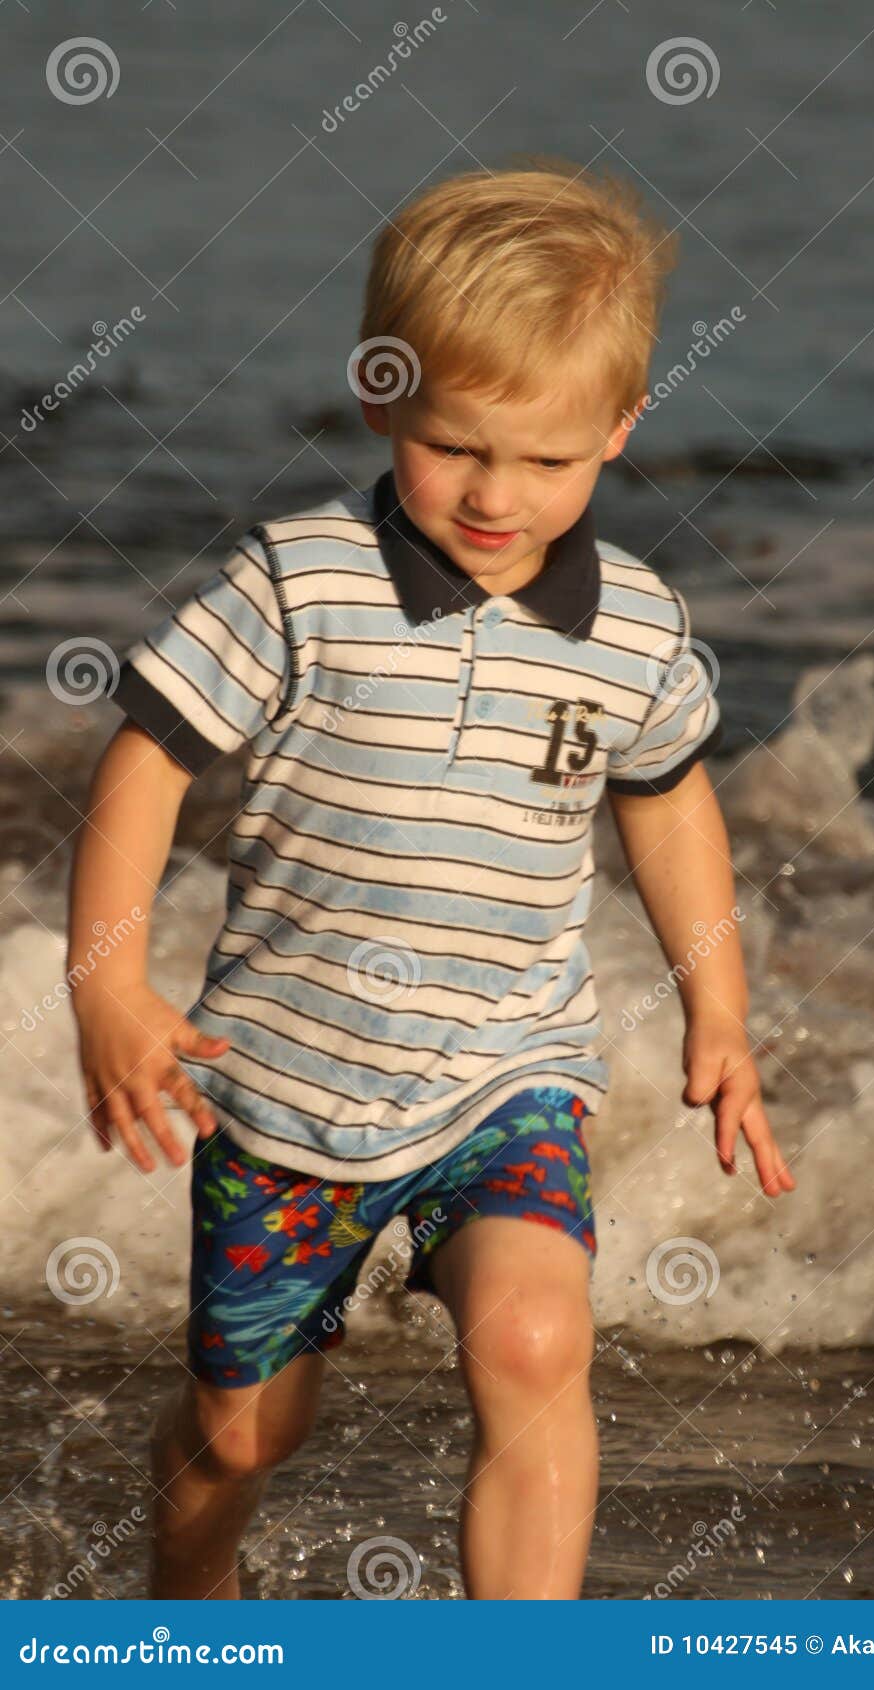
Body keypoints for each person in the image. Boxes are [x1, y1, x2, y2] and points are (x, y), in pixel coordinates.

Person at [67, 159, 796, 1602]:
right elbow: (147, 763)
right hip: (288, 1087)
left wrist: (720, 1002)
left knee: (534, 1342)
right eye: (458, 446)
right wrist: (110, 989)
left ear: (619, 430)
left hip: (508, 1069)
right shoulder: (300, 583)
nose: (496, 495)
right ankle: (184, 1610)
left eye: (547, 460)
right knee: (241, 1431)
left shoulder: (636, 625)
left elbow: (666, 800)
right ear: (382, 392)